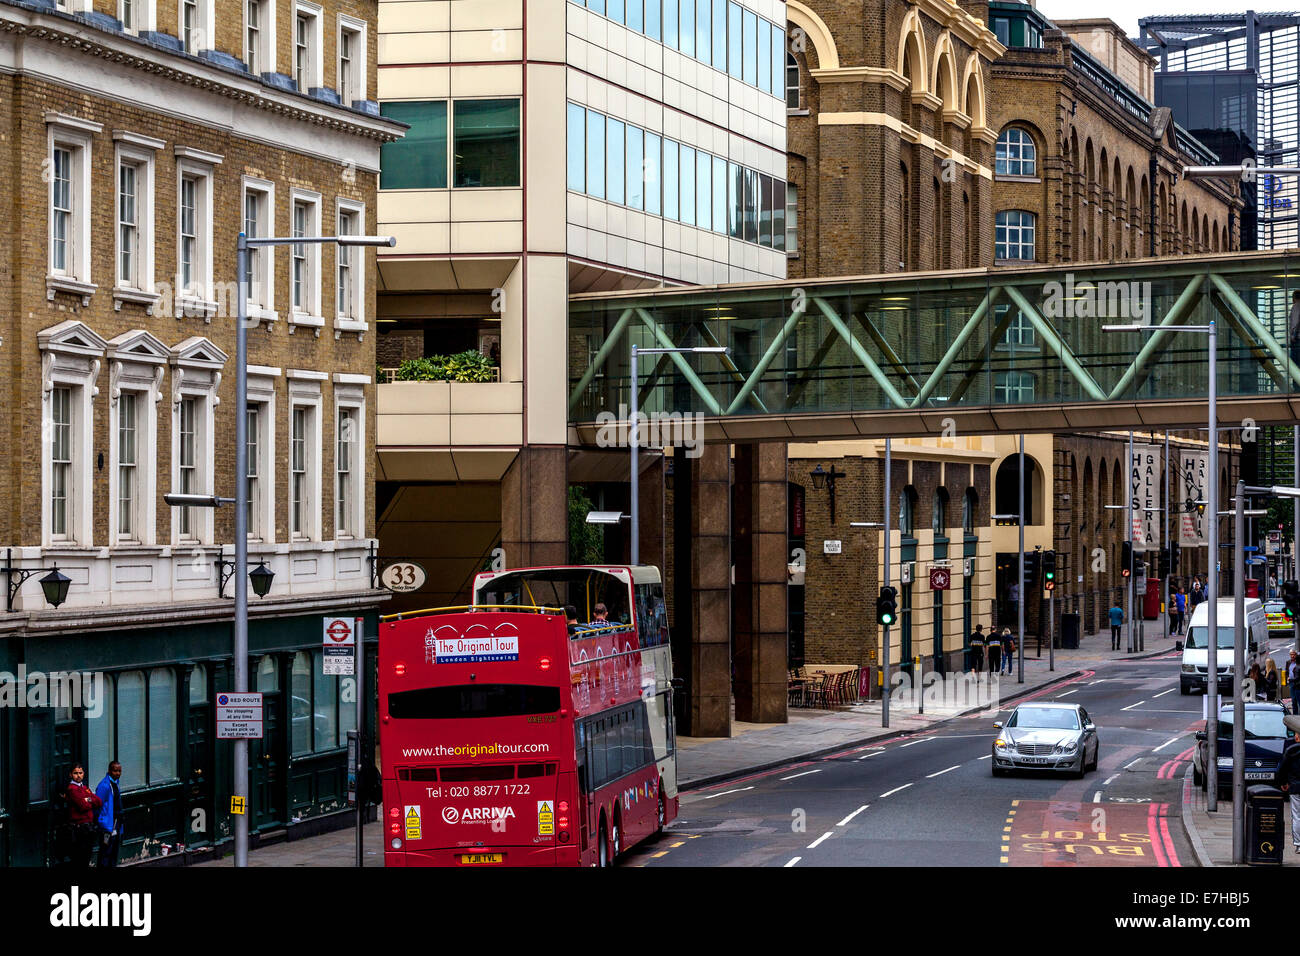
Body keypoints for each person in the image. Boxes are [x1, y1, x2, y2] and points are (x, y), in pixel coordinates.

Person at [63, 765, 101, 869]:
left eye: (80, 773)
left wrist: (87, 799)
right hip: (79, 828)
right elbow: (82, 806)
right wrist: (88, 800)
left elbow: (98, 801)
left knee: (87, 855)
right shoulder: (72, 789)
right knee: (79, 857)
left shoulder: (85, 788)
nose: (78, 776)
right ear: (71, 775)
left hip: (89, 827)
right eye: (75, 773)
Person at [1276, 715, 1300, 852]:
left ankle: (1298, 843)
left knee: (1296, 816)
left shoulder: (1291, 751)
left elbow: (1282, 769)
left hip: (1295, 787)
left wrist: (1283, 783)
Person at [95, 761, 123, 868]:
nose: (118, 773)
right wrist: (102, 822)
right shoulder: (104, 786)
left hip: (116, 822)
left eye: (119, 771)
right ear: (109, 771)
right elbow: (98, 805)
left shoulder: (116, 783)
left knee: (114, 851)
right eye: (115, 771)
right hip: (107, 825)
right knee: (106, 851)